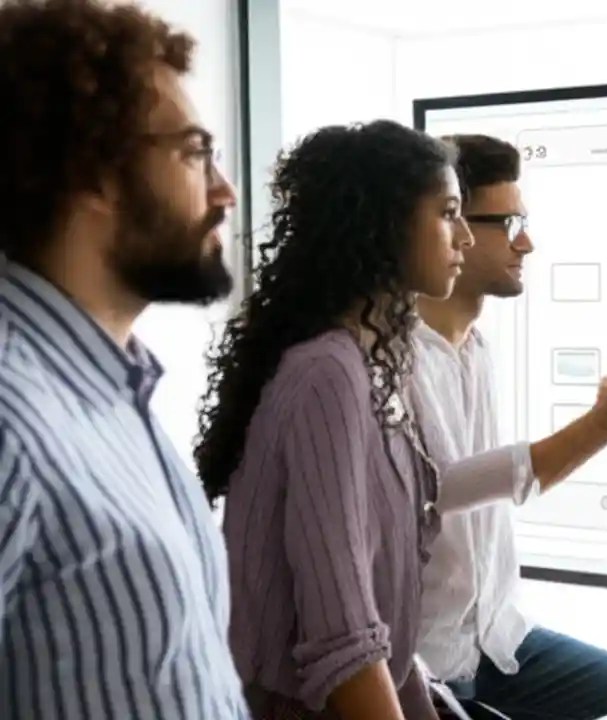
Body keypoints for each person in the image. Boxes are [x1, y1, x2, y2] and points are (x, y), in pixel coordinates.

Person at [0, 1, 248, 717]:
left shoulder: (116, 392)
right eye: (196, 152)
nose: (224, 190)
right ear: (93, 175)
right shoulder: (13, 419)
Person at [194, 120, 473, 720]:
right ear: (387, 222)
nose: (466, 238)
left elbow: (378, 625)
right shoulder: (329, 373)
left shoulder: (376, 362)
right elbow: (342, 642)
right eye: (449, 213)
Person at [412, 134, 607, 720]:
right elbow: (436, 489)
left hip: (503, 645)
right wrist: (597, 428)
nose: (526, 241)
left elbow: (495, 487)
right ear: (450, 225)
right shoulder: (387, 358)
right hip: (431, 665)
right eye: (506, 222)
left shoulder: (478, 351)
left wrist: (599, 429)